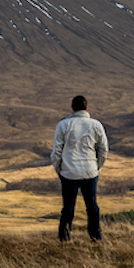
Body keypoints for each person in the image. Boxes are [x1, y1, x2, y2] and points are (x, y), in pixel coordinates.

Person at [51, 94, 108, 242]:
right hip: (90, 170)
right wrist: (97, 167)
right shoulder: (96, 125)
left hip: (69, 172)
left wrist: (59, 169)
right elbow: (103, 149)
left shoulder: (63, 125)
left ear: (72, 108)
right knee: (92, 205)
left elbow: (56, 150)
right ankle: (96, 237)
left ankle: (65, 237)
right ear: (86, 108)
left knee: (68, 206)